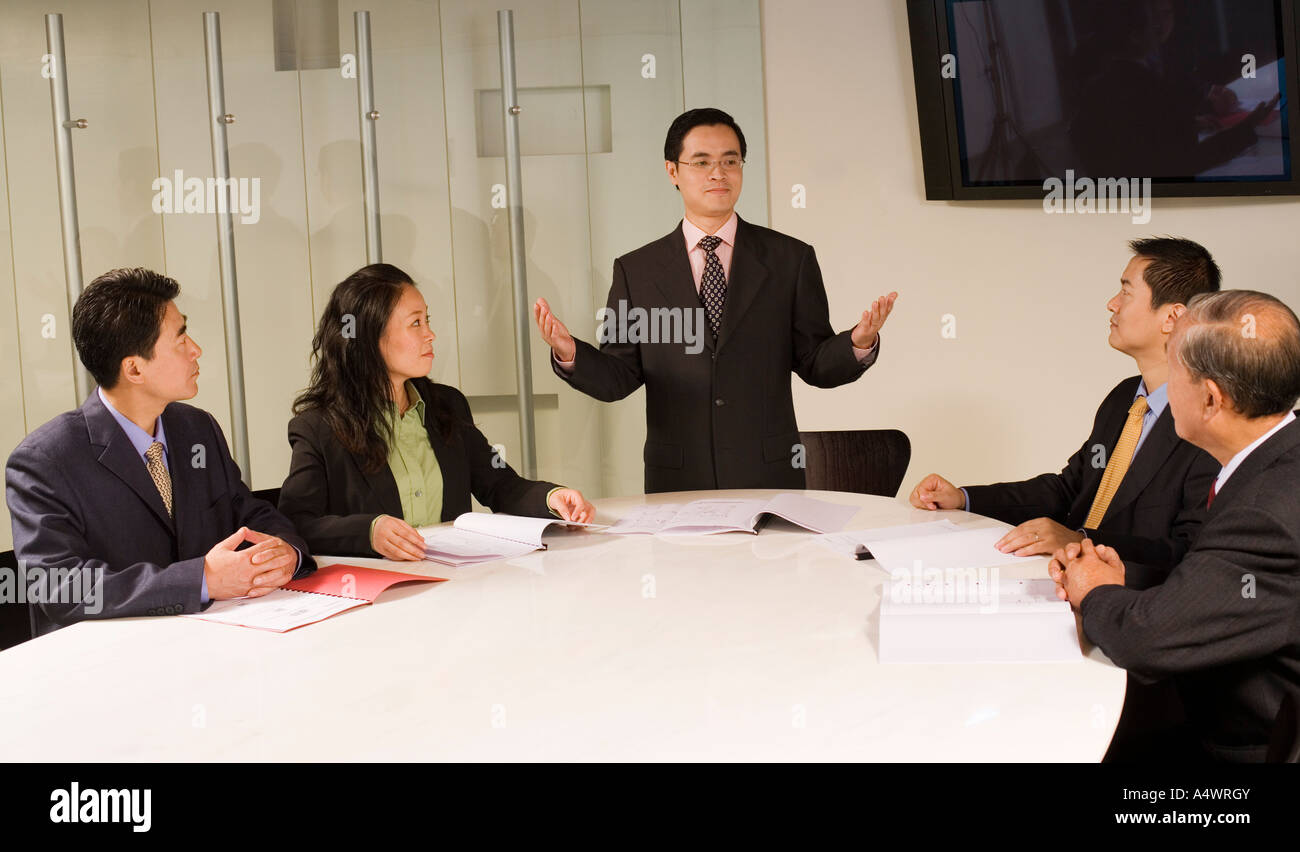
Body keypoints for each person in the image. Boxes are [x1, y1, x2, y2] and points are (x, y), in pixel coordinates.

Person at [533, 107, 897, 493]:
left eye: (730, 161)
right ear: (672, 171)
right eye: (702, 161)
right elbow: (619, 376)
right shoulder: (636, 270)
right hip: (676, 480)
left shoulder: (790, 259)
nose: (718, 173)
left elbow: (814, 363)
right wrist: (571, 353)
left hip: (768, 476)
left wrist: (857, 343)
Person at [1051, 290, 1300, 762]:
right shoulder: (1278, 457)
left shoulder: (1265, 514)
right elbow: (1220, 584)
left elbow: (1145, 640)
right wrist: (1123, 575)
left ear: (1209, 399)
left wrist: (1093, 589)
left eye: (1173, 370)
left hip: (1238, 744)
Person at [5, 268, 315, 637]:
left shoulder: (197, 428)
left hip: (220, 640)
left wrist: (285, 552)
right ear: (134, 368)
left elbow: (249, 512)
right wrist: (201, 579)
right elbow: (60, 588)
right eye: (180, 338)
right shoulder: (45, 460)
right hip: (111, 663)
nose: (196, 349)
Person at [909, 237, 1220, 588]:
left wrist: (1079, 541)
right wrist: (965, 498)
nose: (1111, 304)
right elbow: (1067, 491)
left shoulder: (1211, 421)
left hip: (1126, 602)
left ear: (1172, 317)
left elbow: (1187, 553)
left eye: (1126, 293)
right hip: (1060, 580)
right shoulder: (1123, 398)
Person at [279, 263, 594, 561]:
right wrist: (369, 532)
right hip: (381, 601)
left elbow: (500, 485)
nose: (430, 334)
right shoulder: (319, 427)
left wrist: (551, 498)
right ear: (369, 338)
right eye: (416, 323)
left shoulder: (447, 406)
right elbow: (296, 523)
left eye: (427, 320)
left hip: (455, 588)